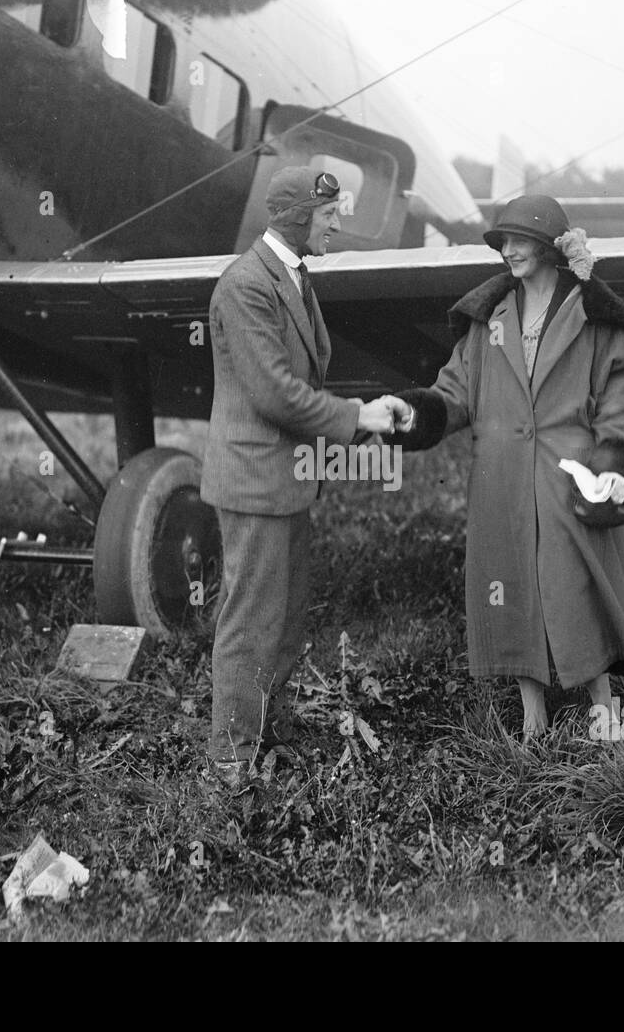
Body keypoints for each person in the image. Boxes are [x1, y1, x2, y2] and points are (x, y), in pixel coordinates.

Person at [387, 194, 624, 740]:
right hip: (502, 479)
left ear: (551, 247)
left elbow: (622, 401)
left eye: (519, 240)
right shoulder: (490, 321)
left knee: (577, 583)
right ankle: (533, 712)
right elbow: (456, 392)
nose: (507, 250)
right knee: (510, 584)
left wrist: (613, 463)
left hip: (571, 478)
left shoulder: (595, 319)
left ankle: (601, 702)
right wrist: (413, 412)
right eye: (502, 241)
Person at [201, 165, 396, 784]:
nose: (340, 221)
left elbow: (299, 383)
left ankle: (270, 732)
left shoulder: (292, 275)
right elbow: (277, 395)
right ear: (295, 217)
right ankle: (230, 762)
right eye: (329, 212)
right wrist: (357, 415)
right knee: (250, 618)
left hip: (283, 478)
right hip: (255, 481)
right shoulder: (246, 286)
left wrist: (359, 417)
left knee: (284, 615)